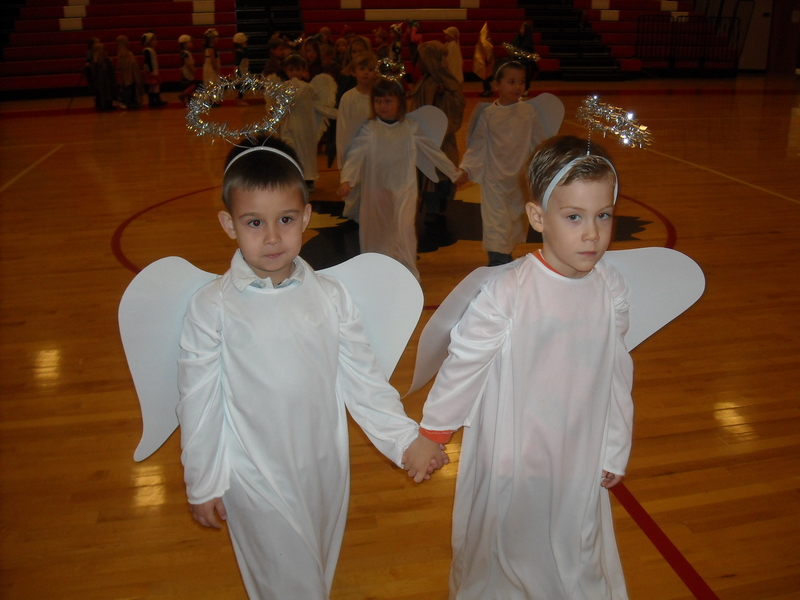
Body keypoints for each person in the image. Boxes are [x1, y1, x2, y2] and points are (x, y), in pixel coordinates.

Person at [178, 136, 445, 599]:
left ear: (305, 216)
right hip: (253, 473)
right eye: (254, 222)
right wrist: (203, 480)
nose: (272, 237)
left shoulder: (331, 297)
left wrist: (405, 439)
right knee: (290, 584)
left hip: (324, 469)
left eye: (285, 219)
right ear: (228, 224)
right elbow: (198, 402)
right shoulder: (212, 308)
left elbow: (363, 381)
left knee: (312, 575)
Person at [404, 134, 633, 599]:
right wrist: (433, 434)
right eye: (574, 217)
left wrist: (614, 447)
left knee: (576, 551)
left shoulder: (609, 288)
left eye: (603, 215)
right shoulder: (508, 291)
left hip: (579, 454)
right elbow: (463, 366)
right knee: (507, 552)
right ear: (537, 217)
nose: (592, 233)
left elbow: (616, 372)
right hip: (513, 457)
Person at [337, 78, 463, 280]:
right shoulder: (370, 130)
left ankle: (409, 276)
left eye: (388, 101)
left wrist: (453, 172)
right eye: (378, 101)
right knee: (377, 233)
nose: (382, 106)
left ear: (400, 102)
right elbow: (355, 156)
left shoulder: (410, 128)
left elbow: (432, 151)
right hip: (376, 192)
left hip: (404, 190)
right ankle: (376, 274)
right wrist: (347, 180)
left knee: (404, 232)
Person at [455, 61, 547, 266]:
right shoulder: (488, 114)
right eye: (511, 82)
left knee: (514, 222)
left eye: (521, 82)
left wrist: (545, 168)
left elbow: (539, 144)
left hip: (519, 180)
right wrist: (466, 168)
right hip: (494, 179)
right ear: (497, 84)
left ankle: (504, 258)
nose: (518, 87)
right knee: (496, 223)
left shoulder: (528, 113)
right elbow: (478, 145)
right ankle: (497, 263)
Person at [409, 40, 465, 217]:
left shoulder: (445, 84)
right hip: (424, 140)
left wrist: (445, 95)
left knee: (440, 173)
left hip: (441, 142)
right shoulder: (425, 82)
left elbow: (456, 107)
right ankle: (431, 209)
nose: (418, 64)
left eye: (421, 59)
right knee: (427, 174)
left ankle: (438, 207)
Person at [279, 53, 337, 192]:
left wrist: (331, 112)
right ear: (286, 71)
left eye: (298, 69)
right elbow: (280, 106)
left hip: (305, 126)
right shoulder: (283, 87)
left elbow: (317, 104)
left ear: (303, 70)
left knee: (306, 152)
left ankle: (308, 179)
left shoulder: (308, 88)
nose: (295, 73)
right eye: (291, 70)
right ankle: (293, 178)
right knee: (290, 149)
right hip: (289, 125)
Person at [335, 51, 376, 221]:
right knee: (354, 185)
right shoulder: (348, 98)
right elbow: (343, 128)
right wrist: (343, 157)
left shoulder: (379, 96)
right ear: (353, 72)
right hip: (354, 150)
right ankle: (354, 218)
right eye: (362, 69)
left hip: (375, 150)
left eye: (370, 69)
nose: (366, 72)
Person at [511, 22, 539, 96]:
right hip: (517, 61)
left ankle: (525, 89)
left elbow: (531, 53)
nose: (522, 30)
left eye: (523, 29)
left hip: (525, 63)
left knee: (525, 77)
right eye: (521, 28)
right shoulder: (516, 39)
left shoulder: (528, 42)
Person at [116, 35, 143, 109]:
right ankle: (123, 100)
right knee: (129, 87)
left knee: (129, 87)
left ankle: (130, 101)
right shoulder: (127, 54)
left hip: (127, 73)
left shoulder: (121, 53)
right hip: (130, 73)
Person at [89, 42, 117, 110]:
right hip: (104, 82)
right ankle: (105, 104)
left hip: (103, 82)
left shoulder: (97, 62)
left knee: (104, 92)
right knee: (105, 92)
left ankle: (103, 104)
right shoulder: (104, 62)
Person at [141, 32, 166, 107]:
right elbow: (148, 62)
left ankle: (153, 101)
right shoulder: (148, 50)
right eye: (154, 40)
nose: (155, 42)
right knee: (154, 86)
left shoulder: (150, 50)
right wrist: (151, 71)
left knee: (153, 86)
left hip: (153, 70)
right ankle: (156, 100)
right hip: (151, 71)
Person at [473, 23, 495, 97]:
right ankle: (486, 89)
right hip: (484, 62)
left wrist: (487, 60)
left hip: (486, 63)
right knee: (484, 78)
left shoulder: (486, 43)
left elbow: (488, 53)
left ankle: (488, 90)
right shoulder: (486, 43)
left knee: (486, 78)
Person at [177, 34, 198, 105]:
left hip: (188, 73)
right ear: (184, 44)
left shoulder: (187, 53)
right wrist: (192, 69)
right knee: (191, 86)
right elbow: (187, 63)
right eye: (189, 42)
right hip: (187, 72)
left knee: (191, 87)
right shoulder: (185, 53)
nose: (191, 43)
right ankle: (183, 95)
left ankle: (190, 101)